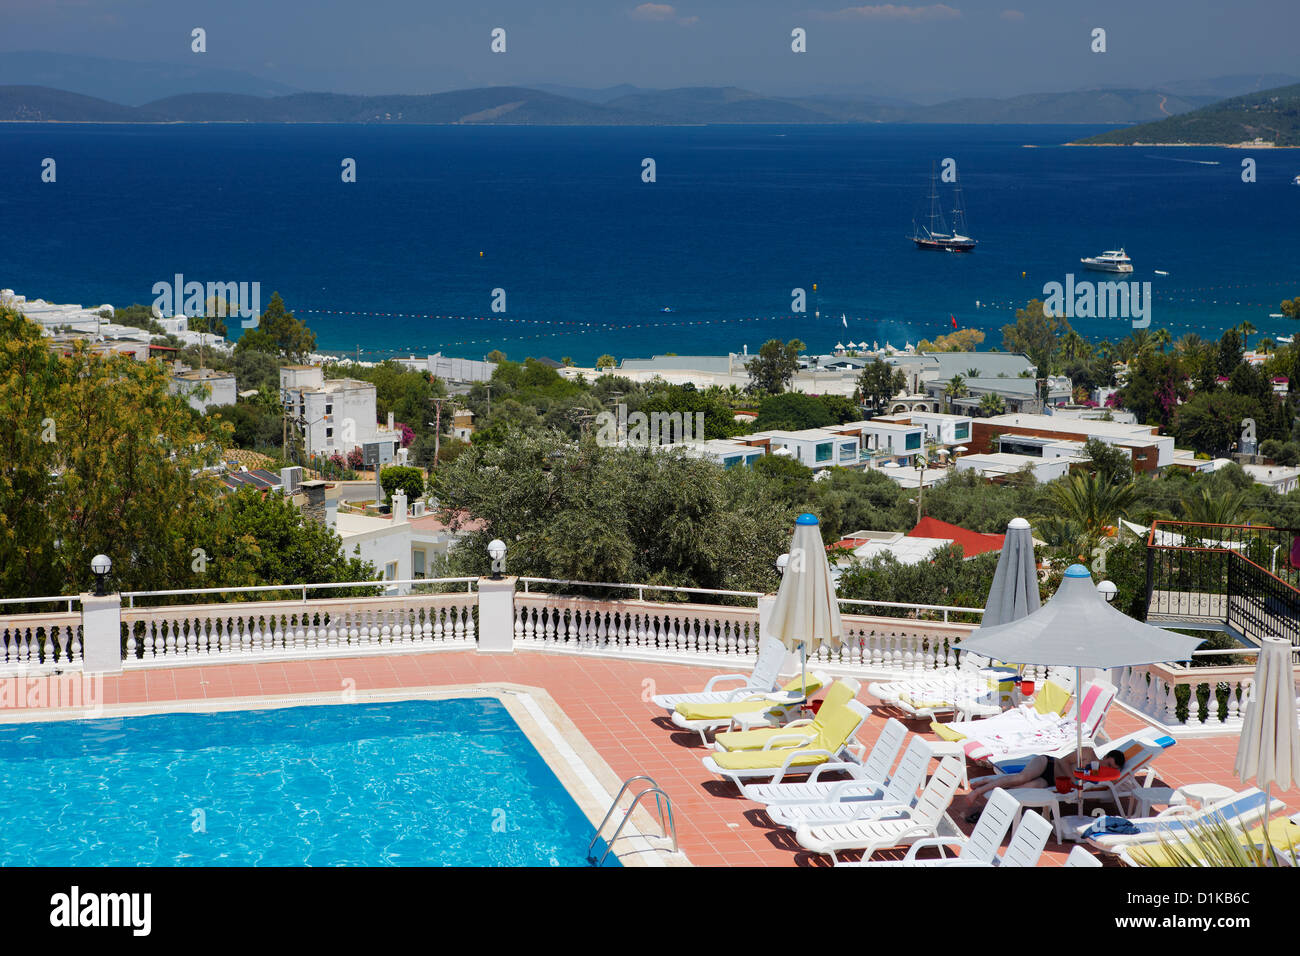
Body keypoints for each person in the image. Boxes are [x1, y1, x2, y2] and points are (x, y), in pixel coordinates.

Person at [964, 747, 1127, 823]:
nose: (1109, 767)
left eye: (1113, 768)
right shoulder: (1087, 752)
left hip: (1048, 781)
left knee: (1016, 789)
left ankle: (989, 783)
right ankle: (978, 791)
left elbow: (1108, 782)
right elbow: (1063, 761)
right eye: (1109, 763)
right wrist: (1072, 779)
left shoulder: (1099, 775)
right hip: (1047, 763)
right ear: (1105, 755)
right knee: (1020, 778)